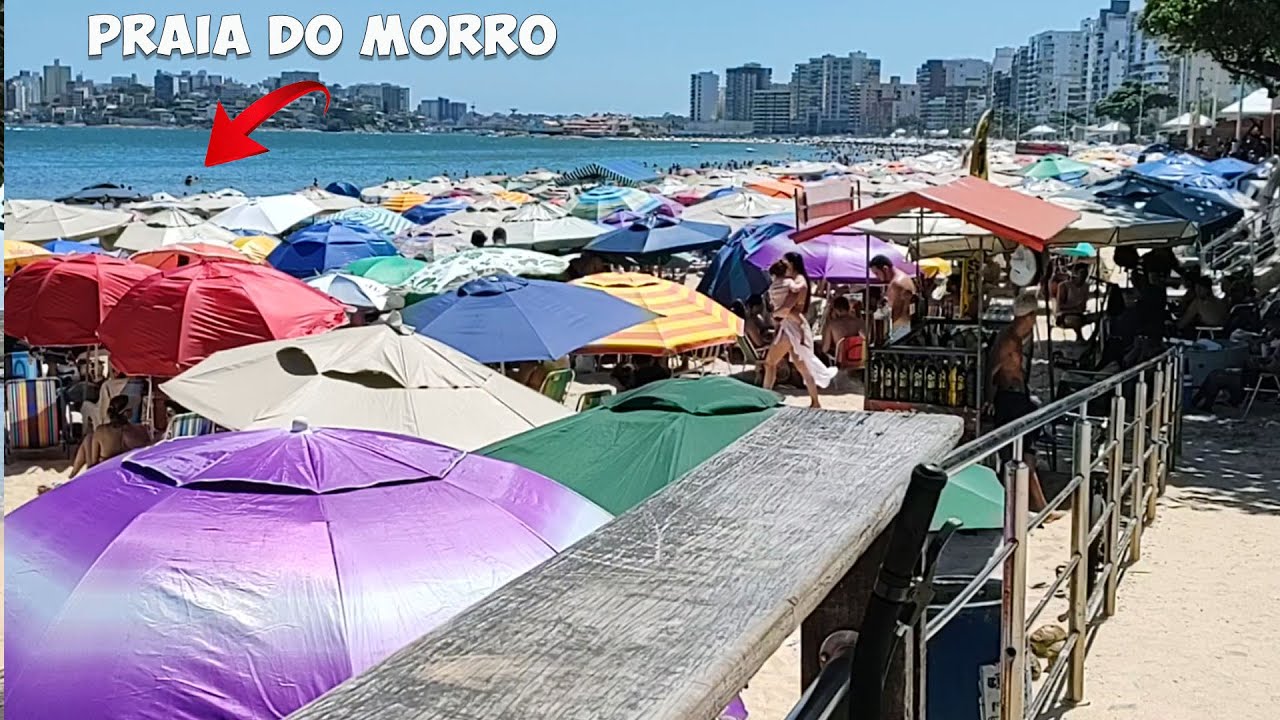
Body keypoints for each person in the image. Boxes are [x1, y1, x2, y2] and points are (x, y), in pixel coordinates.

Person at [989, 291, 1050, 512]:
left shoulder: (1017, 339)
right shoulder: (1009, 341)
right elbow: (993, 369)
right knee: (1021, 454)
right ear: (1028, 316)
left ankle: (1035, 504)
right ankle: (1036, 505)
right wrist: (989, 397)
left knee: (1023, 453)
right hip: (1010, 400)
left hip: (1017, 397)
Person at [762, 254, 837, 408]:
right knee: (802, 367)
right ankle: (815, 401)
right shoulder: (797, 281)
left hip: (791, 325)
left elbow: (788, 307)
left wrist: (776, 313)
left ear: (791, 264)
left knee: (770, 362)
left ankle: (765, 397)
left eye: (785, 261)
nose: (783, 263)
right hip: (794, 324)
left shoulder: (797, 282)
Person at [69, 395, 152, 476]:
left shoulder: (101, 431)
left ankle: (72, 475)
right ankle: (72, 474)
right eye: (131, 409)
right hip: (132, 472)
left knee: (88, 439)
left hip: (107, 474)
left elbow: (94, 463)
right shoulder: (141, 430)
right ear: (126, 413)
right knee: (89, 438)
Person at [869, 254, 916, 343]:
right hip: (907, 327)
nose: (877, 277)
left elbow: (896, 312)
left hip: (900, 330)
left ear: (885, 269)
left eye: (877, 273)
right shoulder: (904, 278)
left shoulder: (896, 284)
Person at [821, 296, 864, 364]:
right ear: (848, 308)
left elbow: (825, 348)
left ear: (836, 310)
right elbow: (865, 339)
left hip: (841, 361)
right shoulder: (859, 322)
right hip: (858, 359)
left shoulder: (832, 325)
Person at [1054, 264, 1091, 341]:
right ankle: (1079, 337)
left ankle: (1094, 337)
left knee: (1101, 316)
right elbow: (1059, 307)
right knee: (1075, 320)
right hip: (1065, 315)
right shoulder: (1064, 286)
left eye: (1086, 273)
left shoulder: (1086, 286)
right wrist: (1074, 306)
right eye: (1082, 273)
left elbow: (1083, 307)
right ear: (1076, 274)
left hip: (1079, 313)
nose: (1084, 276)